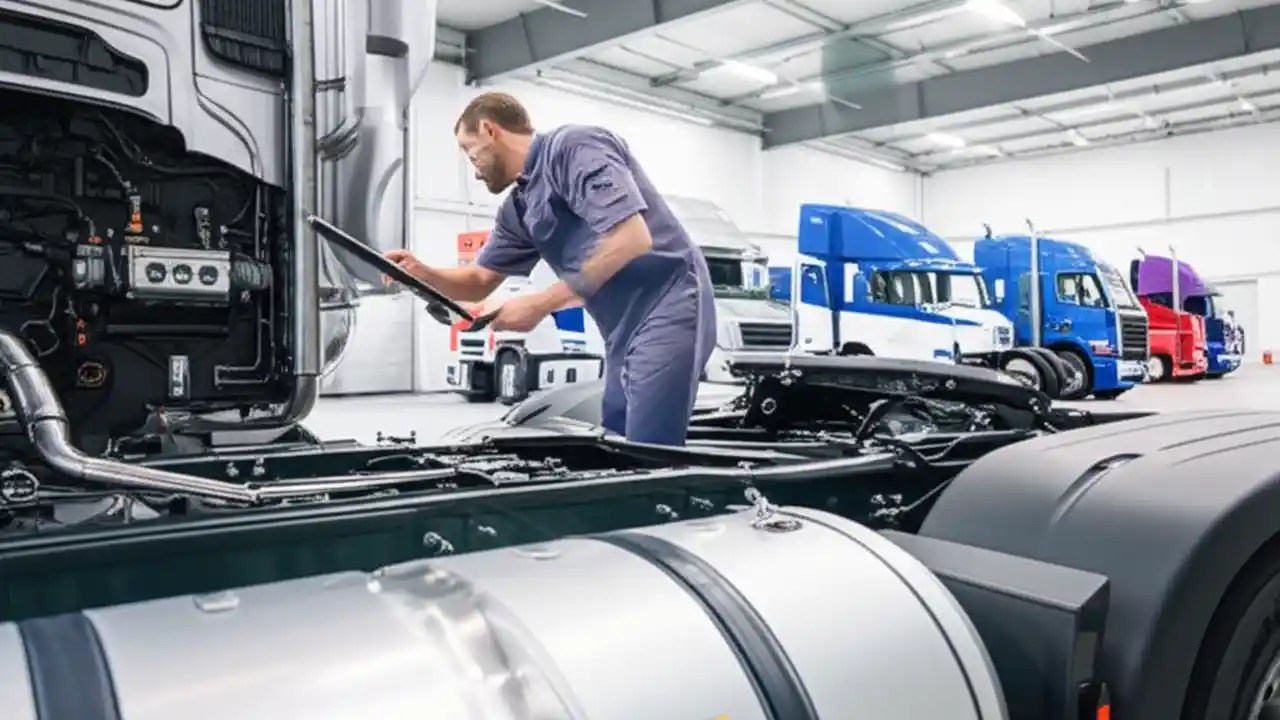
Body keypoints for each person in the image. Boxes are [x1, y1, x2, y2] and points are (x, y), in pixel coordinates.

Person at [383, 92, 716, 446]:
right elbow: (479, 281)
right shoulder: (520, 207)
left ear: (488, 129)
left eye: (470, 150)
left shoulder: (574, 148)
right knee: (618, 441)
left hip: (670, 304)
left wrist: (540, 305)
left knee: (649, 447)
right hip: (620, 330)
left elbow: (631, 240)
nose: (473, 166)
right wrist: (419, 272)